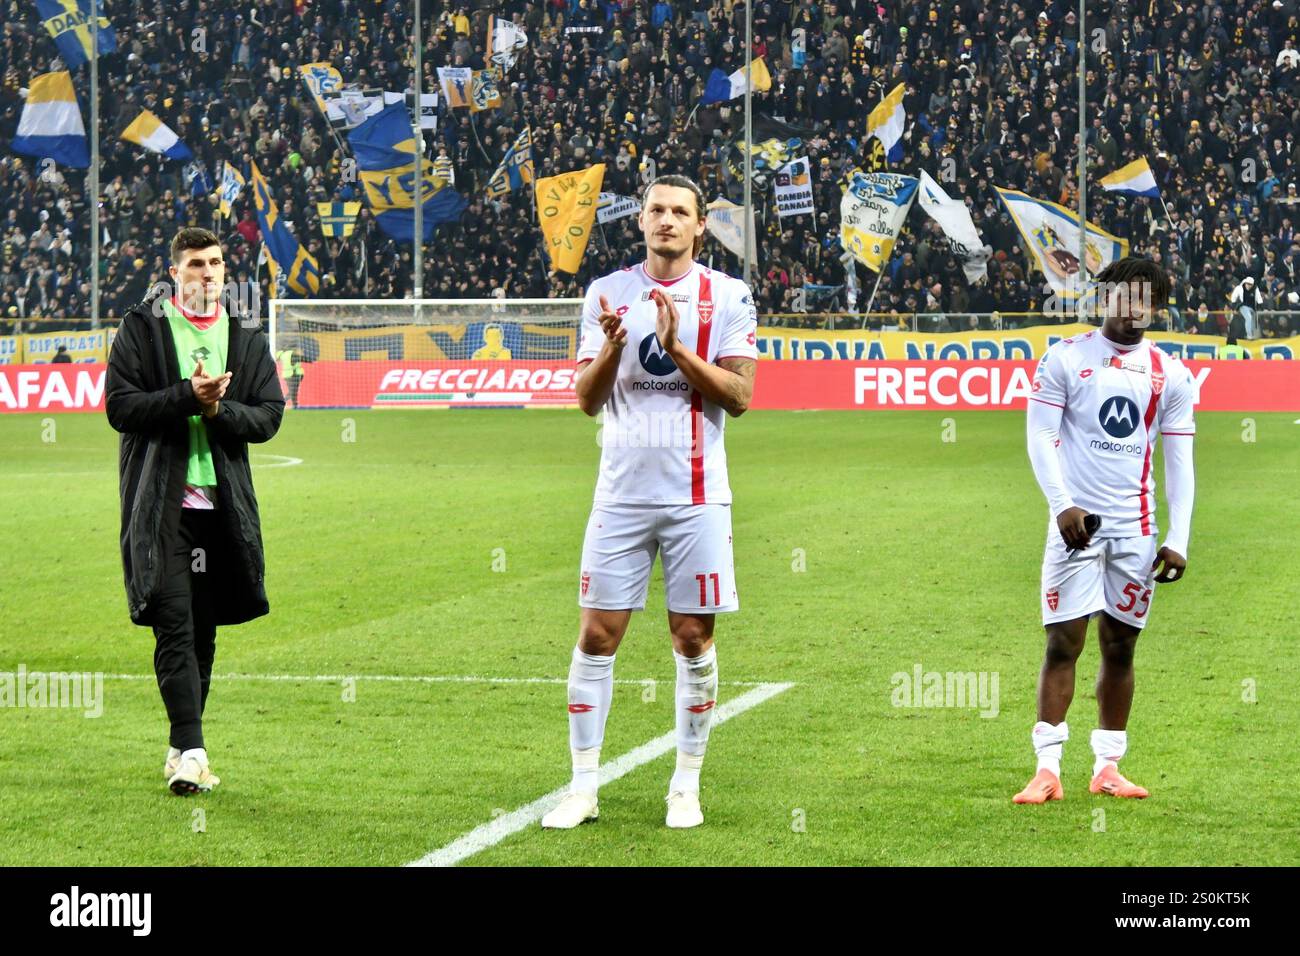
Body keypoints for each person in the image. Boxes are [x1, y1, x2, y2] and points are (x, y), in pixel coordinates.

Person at [541, 175, 758, 830]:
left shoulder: (728, 296)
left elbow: (739, 396)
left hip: (697, 498)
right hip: (621, 496)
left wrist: (676, 348)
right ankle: (583, 787)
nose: (667, 220)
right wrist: (612, 344)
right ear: (640, 221)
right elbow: (585, 400)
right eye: (657, 210)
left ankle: (685, 786)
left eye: (680, 212)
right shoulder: (606, 293)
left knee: (692, 638)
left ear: (699, 227)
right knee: (597, 635)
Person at [105, 226, 285, 795]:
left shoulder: (245, 336)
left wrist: (217, 411)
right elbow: (120, 406)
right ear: (174, 273)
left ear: (225, 272)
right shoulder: (144, 328)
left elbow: (269, 415)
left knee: (202, 630)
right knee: (174, 620)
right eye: (195, 265)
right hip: (163, 506)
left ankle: (181, 746)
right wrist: (189, 396)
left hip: (222, 508)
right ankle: (195, 753)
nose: (206, 274)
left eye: (214, 264)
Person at [1015, 257, 1196, 804]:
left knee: (1120, 647)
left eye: (1148, 298)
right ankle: (1048, 769)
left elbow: (1180, 463)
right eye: (1126, 296)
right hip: (1076, 527)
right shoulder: (1066, 358)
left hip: (1137, 532)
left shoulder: (1172, 375)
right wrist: (1062, 506)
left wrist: (1179, 537)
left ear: (1157, 307)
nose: (1136, 307)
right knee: (1062, 643)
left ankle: (1108, 767)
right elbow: (1041, 435)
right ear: (1105, 300)